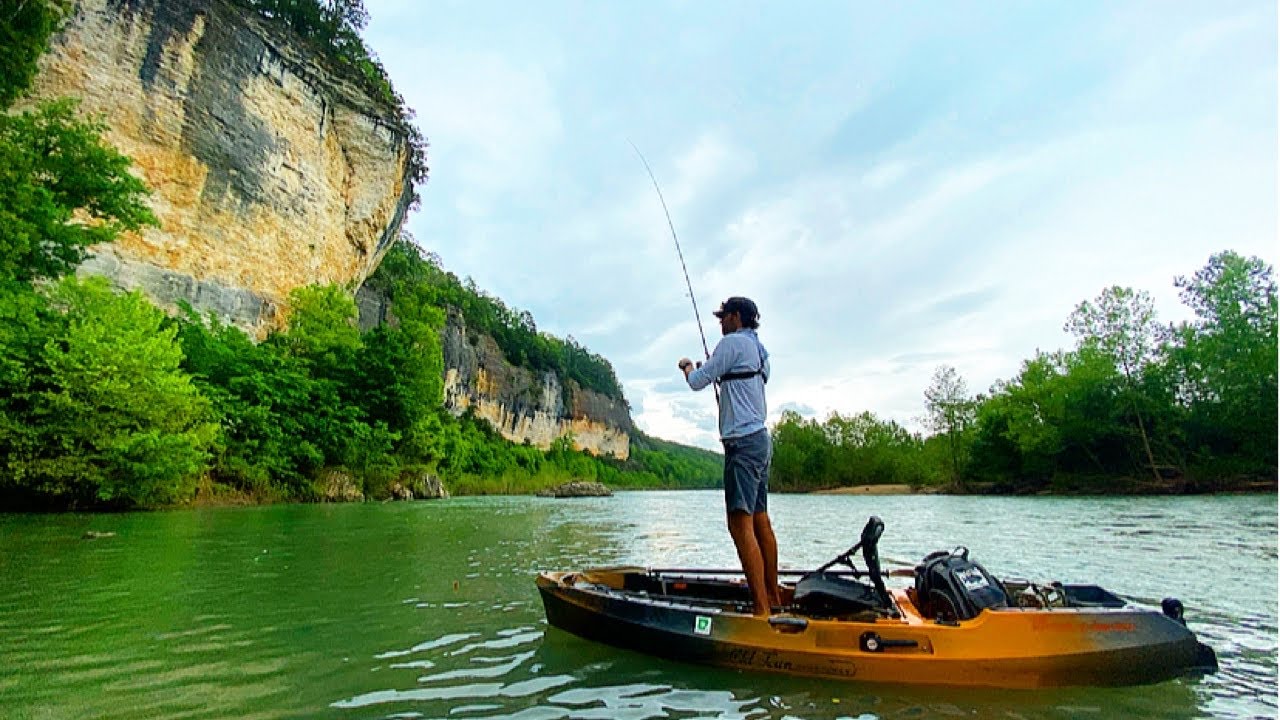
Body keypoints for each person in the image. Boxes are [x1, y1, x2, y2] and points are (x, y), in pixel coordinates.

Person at [677, 296, 780, 616]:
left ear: (736, 317)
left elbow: (696, 382)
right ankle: (774, 598)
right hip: (761, 441)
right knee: (760, 518)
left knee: (739, 523)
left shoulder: (732, 343)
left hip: (742, 444)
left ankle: (761, 610)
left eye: (724, 317)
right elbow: (734, 378)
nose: (720, 322)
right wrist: (717, 367)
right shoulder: (759, 350)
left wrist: (688, 366)